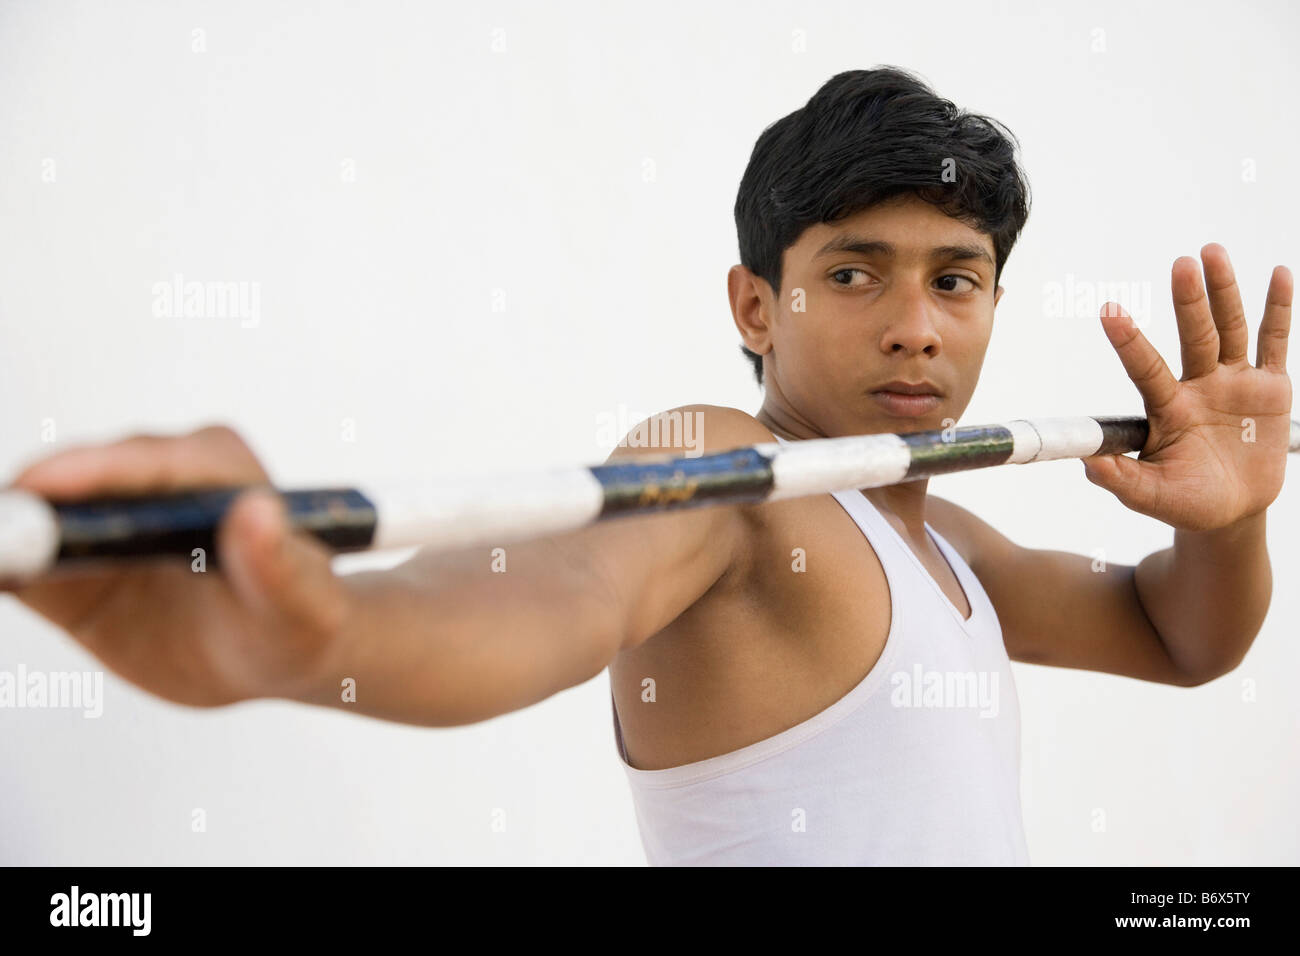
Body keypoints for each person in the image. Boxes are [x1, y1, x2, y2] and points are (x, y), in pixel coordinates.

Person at [5, 67, 1292, 865]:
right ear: (756, 304)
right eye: (854, 272)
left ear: (994, 302)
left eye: (954, 279)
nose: (915, 324)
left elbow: (1176, 635)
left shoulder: (951, 542)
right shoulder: (728, 469)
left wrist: (1229, 523)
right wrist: (324, 628)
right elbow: (560, 584)